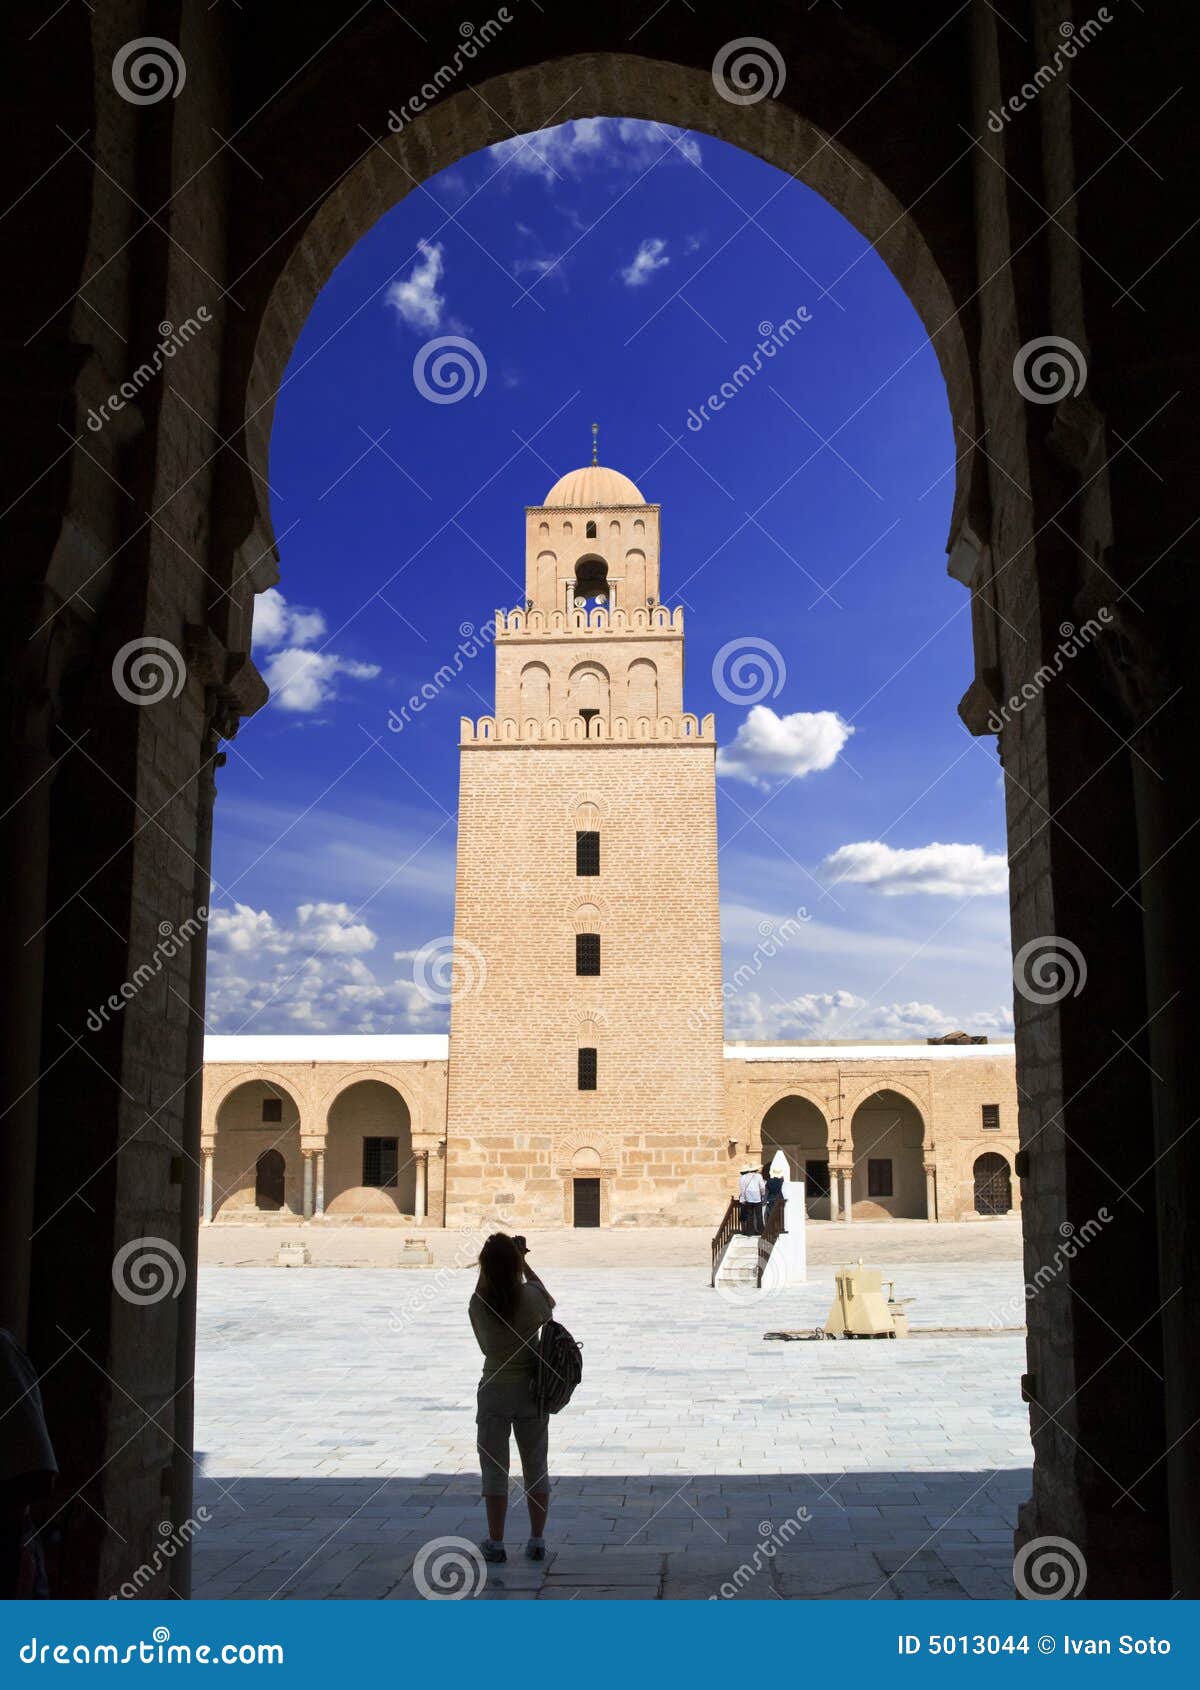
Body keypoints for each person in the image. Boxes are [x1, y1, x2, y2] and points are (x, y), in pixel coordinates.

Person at [469, 1233, 554, 1564]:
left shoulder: (479, 1303)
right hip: (532, 1391)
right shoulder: (531, 1298)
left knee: (494, 1468)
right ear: (516, 1264)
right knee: (536, 1465)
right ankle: (537, 1539)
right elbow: (548, 1301)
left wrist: (494, 1266)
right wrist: (524, 1263)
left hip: (494, 1392)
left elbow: (486, 1347)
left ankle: (496, 1541)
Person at [738, 1166, 765, 1235]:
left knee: (749, 1215)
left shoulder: (744, 1177)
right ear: (756, 1169)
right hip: (757, 1198)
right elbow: (762, 1186)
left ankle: (750, 1231)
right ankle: (760, 1230)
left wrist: (743, 1198)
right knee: (759, 1215)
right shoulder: (758, 1176)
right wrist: (763, 1194)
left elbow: (742, 1188)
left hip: (748, 1198)